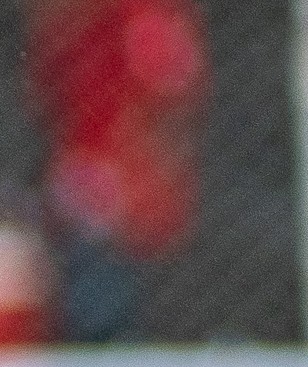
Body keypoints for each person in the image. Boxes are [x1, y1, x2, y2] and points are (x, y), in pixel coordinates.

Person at [26, 0, 203, 343]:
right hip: (89, 176)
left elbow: (168, 88)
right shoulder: (79, 32)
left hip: (121, 182)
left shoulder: (139, 19)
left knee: (105, 287)